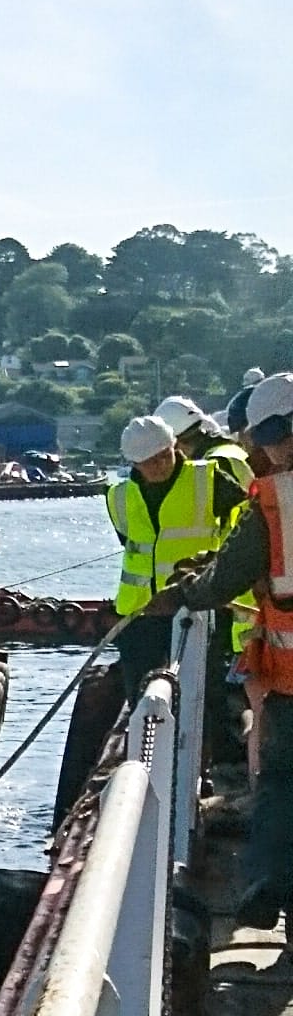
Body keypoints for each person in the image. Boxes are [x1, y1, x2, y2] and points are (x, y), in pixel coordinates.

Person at [155, 371, 293, 927]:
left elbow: (226, 578)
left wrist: (186, 590)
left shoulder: (276, 503)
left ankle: (267, 881)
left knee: (282, 783)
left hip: (289, 680)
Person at [108, 412, 245, 703]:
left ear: (175, 447)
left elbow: (243, 528)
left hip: (198, 605)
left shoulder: (208, 480)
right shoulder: (119, 496)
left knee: (202, 695)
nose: (159, 465)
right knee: (140, 696)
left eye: (164, 455)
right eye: (149, 460)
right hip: (140, 613)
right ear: (133, 463)